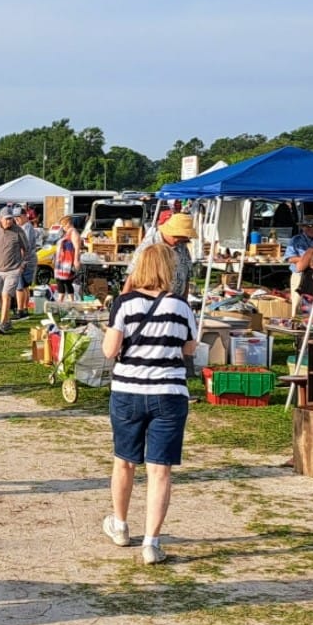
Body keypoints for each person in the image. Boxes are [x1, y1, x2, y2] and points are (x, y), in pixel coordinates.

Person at [101, 242, 197, 565]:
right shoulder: (180, 306)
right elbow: (190, 348)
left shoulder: (124, 304)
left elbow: (109, 350)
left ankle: (120, 525)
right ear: (169, 270)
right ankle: (152, 543)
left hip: (128, 391)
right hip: (169, 393)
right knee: (160, 470)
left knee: (124, 462)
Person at [128, 212, 194, 300]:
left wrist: (184, 302)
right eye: (181, 238)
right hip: (152, 302)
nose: (183, 241)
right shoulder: (149, 245)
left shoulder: (182, 246)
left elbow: (187, 276)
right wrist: (122, 301)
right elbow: (133, 276)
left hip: (176, 301)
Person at [54, 214, 84, 300]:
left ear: (68, 224)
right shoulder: (67, 233)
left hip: (67, 261)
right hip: (62, 261)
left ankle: (63, 300)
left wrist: (76, 260)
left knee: (64, 281)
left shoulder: (73, 232)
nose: (63, 227)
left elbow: (77, 247)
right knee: (63, 281)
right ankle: (66, 300)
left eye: (63, 225)